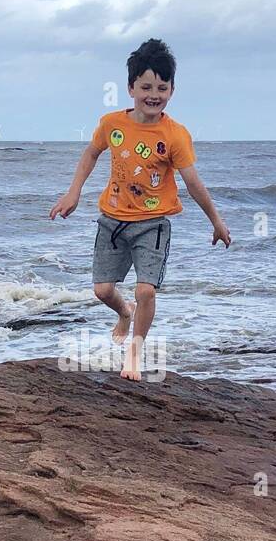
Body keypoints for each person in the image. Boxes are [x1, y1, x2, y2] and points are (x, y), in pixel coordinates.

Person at [48, 38, 231, 380]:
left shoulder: (175, 135)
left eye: (162, 87)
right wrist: (74, 192)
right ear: (131, 87)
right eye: (146, 86)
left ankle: (134, 354)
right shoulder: (112, 124)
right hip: (112, 221)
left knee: (146, 289)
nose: (154, 94)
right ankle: (124, 314)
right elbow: (90, 154)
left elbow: (193, 183)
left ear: (172, 90)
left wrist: (217, 222)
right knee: (102, 290)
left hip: (153, 224)